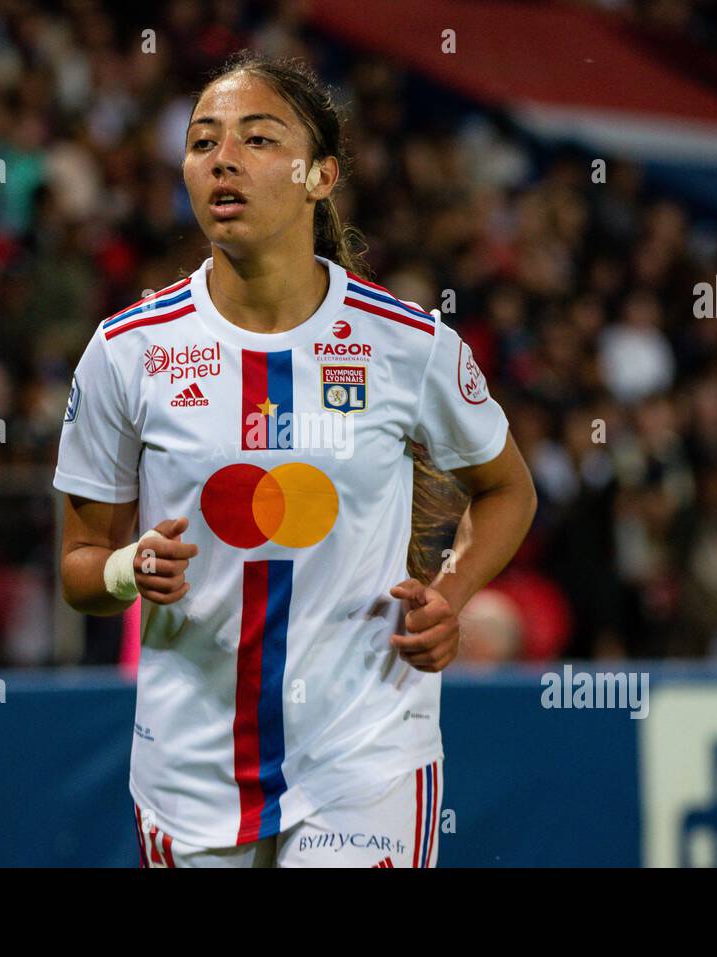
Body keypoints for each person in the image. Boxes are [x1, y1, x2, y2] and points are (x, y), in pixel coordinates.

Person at [54, 52, 537, 868]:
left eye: (257, 139)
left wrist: (452, 593)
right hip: (192, 765)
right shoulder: (127, 352)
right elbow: (76, 566)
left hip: (369, 748)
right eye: (203, 142)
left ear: (321, 175)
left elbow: (506, 490)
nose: (224, 159)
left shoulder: (407, 345)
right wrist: (129, 568)